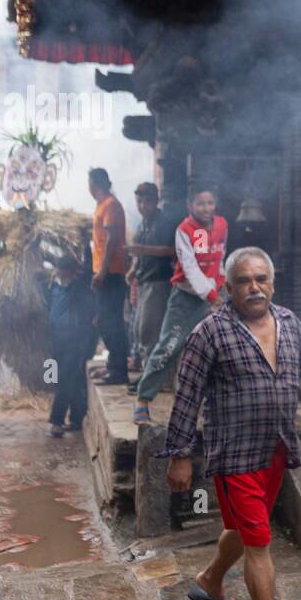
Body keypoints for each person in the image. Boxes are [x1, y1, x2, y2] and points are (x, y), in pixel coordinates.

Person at [160, 247, 301, 600]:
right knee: (259, 541)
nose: (254, 287)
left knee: (241, 529)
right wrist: (180, 455)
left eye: (261, 279)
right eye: (244, 280)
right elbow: (187, 397)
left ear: (271, 284)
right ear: (228, 286)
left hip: (277, 449)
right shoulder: (210, 333)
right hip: (234, 455)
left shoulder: (290, 324)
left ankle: (209, 580)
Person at [133, 186, 227, 423]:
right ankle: (143, 399)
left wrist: (223, 285)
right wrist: (211, 295)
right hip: (186, 299)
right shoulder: (185, 230)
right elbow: (191, 268)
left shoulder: (219, 226)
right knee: (168, 348)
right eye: (200, 204)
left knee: (218, 349)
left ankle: (214, 406)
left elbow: (215, 259)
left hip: (214, 294)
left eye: (209, 203)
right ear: (190, 206)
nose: (206, 208)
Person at [124, 182, 177, 382]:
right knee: (139, 330)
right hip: (145, 281)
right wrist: (132, 271)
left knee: (150, 330)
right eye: (139, 201)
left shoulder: (163, 222)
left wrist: (144, 251)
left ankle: (154, 378)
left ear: (155, 201)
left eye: (146, 201)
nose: (142, 205)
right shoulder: (142, 224)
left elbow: (171, 250)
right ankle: (149, 374)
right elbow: (138, 255)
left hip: (159, 281)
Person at [45, 253, 96, 437]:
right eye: (57, 270)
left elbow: (88, 269)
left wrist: (85, 243)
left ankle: (56, 421)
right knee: (57, 378)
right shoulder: (54, 287)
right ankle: (77, 417)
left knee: (66, 378)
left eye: (62, 271)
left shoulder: (79, 287)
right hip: (56, 340)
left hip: (76, 341)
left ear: (72, 272)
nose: (59, 273)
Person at [88, 167, 130, 385]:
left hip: (111, 272)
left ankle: (119, 371)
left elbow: (112, 240)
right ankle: (113, 366)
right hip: (104, 271)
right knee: (106, 320)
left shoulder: (111, 205)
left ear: (94, 184)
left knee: (109, 321)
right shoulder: (102, 206)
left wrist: (103, 271)